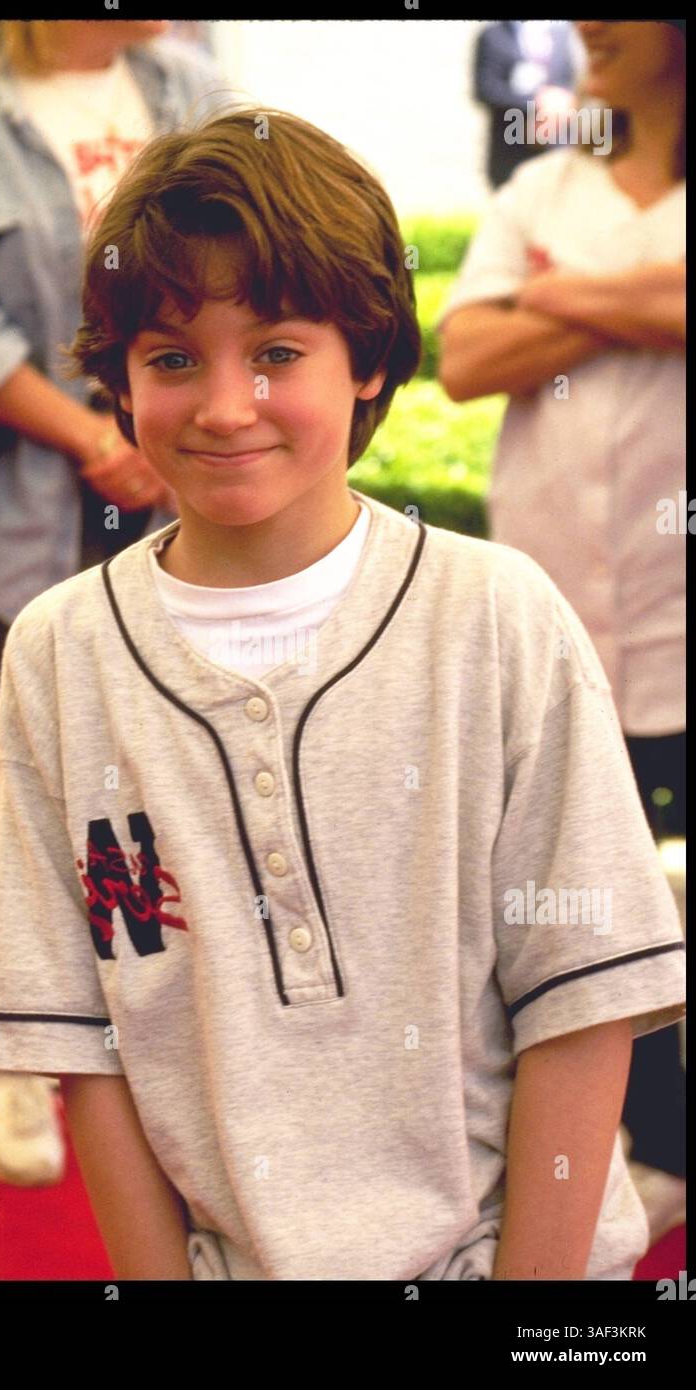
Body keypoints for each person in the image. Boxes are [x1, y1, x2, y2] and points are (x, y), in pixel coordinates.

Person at [0, 103, 685, 1280]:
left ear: (368, 359)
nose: (223, 404)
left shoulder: (497, 615)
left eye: (276, 352)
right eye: (169, 357)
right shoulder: (59, 653)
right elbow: (80, 1039)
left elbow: (581, 1002)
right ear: (117, 377)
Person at [0, 18, 230, 1186]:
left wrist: (167, 430)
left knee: (182, 774)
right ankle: (18, 1049)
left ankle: (173, 1038)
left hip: (189, 498)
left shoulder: (188, 82)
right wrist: (91, 435)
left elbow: (254, 267)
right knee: (24, 781)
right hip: (22, 514)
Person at [438, 18, 686, 1245]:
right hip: (552, 623)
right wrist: (648, 303)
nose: (584, 25)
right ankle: (609, 1149)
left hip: (675, 614)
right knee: (565, 906)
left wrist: (553, 289)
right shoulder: (542, 176)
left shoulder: (549, 225)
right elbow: (466, 355)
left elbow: (512, 321)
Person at [473, 20, 577, 189]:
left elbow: (567, 83)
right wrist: (536, 102)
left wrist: (559, 108)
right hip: (509, 150)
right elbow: (486, 89)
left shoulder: (560, 35)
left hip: (553, 147)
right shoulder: (494, 35)